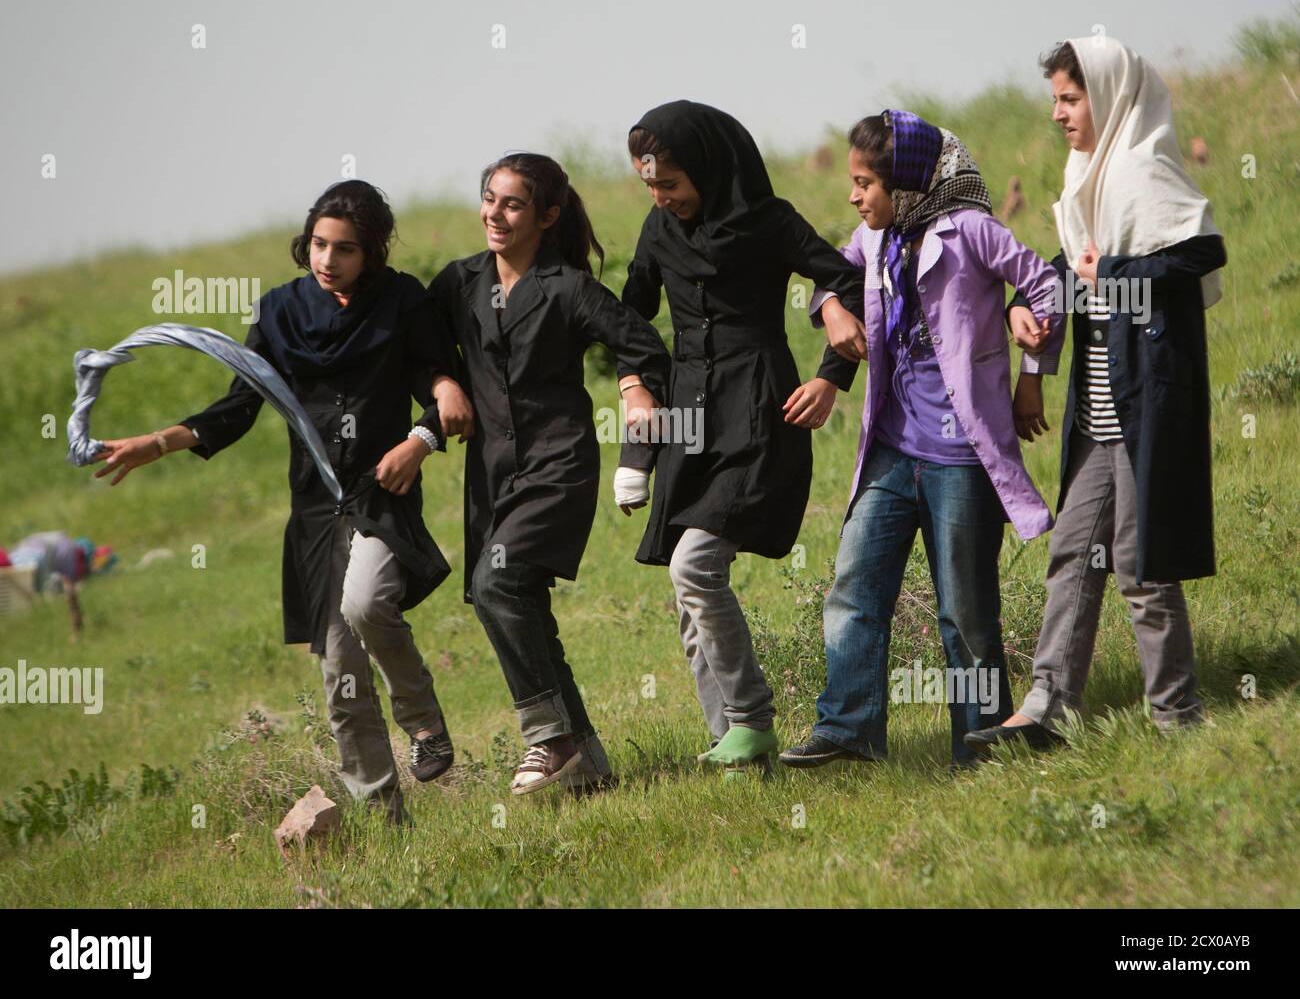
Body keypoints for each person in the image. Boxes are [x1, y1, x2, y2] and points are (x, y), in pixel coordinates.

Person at [92, 180, 462, 824]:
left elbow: (437, 378)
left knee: (368, 602)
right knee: (341, 675)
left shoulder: (402, 300)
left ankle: (423, 722)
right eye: (318, 244)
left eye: (344, 249)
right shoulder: (279, 312)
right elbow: (239, 407)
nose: (327, 260)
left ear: (372, 251)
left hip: (381, 490)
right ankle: (385, 818)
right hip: (316, 506)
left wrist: (422, 437)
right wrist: (160, 442)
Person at [779, 110, 1065, 769]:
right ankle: (849, 728)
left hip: (961, 457)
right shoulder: (875, 238)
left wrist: (1032, 376)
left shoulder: (970, 230)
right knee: (854, 586)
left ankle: (982, 746)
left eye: (864, 183)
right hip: (891, 449)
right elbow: (827, 273)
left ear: (904, 180)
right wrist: (832, 307)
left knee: (964, 610)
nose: (854, 197)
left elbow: (1045, 282)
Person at [966, 37, 1226, 753]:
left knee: (1143, 567)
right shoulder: (1087, 173)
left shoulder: (1143, 168)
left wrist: (1109, 272)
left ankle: (1178, 717)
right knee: (1073, 554)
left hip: (1149, 404)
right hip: (1097, 411)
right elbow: (1071, 266)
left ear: (1107, 98)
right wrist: (1027, 305)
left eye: (1071, 98)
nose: (1058, 113)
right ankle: (1048, 711)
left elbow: (1201, 253)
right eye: (1055, 98)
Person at [612, 100, 865, 774]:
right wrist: (633, 386)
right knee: (685, 588)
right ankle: (738, 754)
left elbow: (845, 276)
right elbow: (630, 316)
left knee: (694, 567)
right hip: (687, 423)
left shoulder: (769, 221)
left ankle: (751, 720)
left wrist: (832, 374)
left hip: (759, 412)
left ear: (707, 167)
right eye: (650, 186)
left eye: (671, 183)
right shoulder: (658, 228)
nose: (661, 198)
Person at [427, 153, 671, 795]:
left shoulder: (568, 288)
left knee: (497, 583)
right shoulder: (459, 282)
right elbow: (417, 347)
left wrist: (633, 386)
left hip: (558, 466)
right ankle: (589, 766)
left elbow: (643, 343)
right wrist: (443, 384)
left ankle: (549, 738)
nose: (495, 214)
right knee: (520, 604)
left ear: (548, 215)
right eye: (490, 199)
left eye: (513, 204)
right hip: (490, 474)